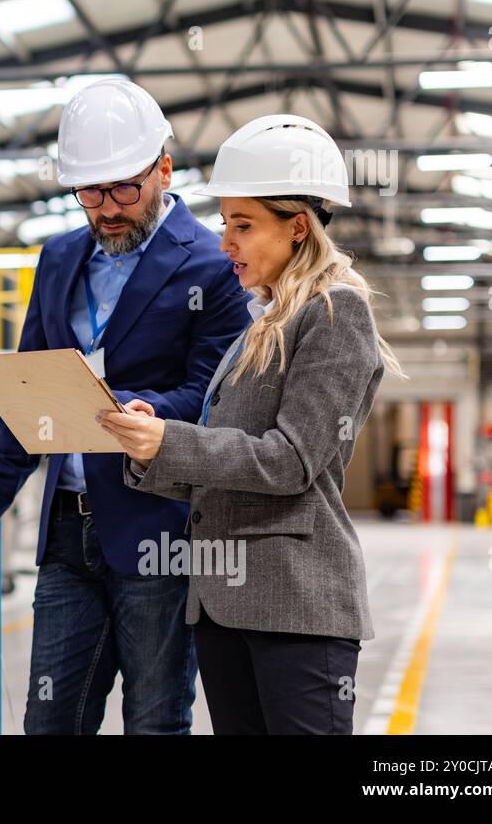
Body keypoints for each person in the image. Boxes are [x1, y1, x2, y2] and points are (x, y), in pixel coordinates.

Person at [0, 78, 251, 734]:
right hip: (68, 537)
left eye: (123, 189)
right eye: (90, 193)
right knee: (50, 720)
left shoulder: (213, 267)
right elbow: (30, 392)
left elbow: (215, 397)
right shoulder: (60, 256)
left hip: (158, 532)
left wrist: (146, 410)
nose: (106, 210)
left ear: (164, 168)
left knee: (154, 721)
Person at [101, 114, 404, 735]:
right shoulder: (261, 323)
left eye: (244, 225)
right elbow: (221, 469)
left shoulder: (334, 312)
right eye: (224, 223)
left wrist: (174, 443)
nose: (225, 243)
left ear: (298, 227)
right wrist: (150, 445)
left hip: (296, 606)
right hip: (224, 601)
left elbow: (290, 461)